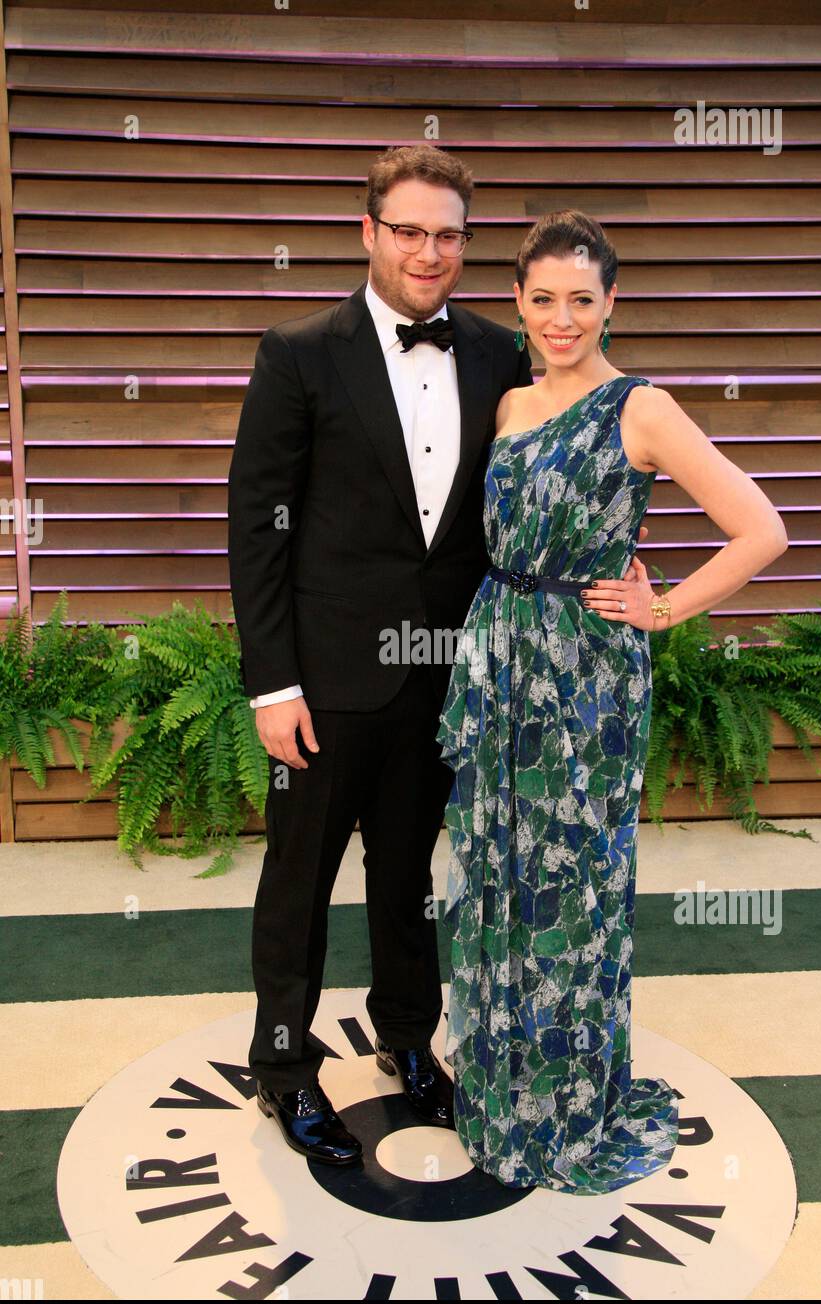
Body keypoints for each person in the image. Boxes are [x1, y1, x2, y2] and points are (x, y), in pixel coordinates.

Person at [437, 209, 789, 1193]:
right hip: (502, 655)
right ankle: (505, 1082)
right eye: (541, 299)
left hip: (585, 675)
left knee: (572, 887)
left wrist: (663, 605)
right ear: (517, 301)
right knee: (498, 871)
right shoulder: (507, 408)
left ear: (609, 304)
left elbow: (760, 529)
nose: (560, 319)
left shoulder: (642, 407)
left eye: (579, 300)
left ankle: (566, 1104)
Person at [227, 146, 562, 1166]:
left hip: (443, 679)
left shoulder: (503, 354)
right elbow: (257, 527)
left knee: (411, 876)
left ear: (467, 244)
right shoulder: (298, 351)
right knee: (298, 884)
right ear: (367, 232)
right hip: (324, 685)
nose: (429, 251)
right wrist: (272, 684)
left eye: (449, 234)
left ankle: (409, 1039)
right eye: (409, 230)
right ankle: (283, 1068)